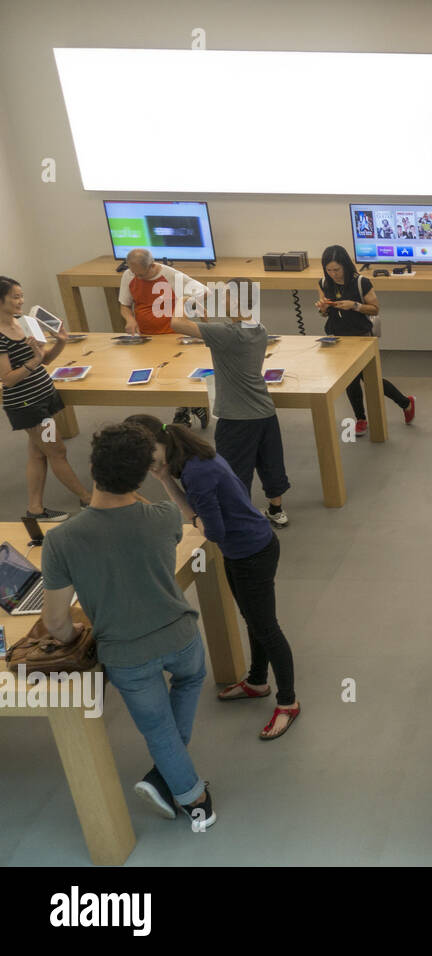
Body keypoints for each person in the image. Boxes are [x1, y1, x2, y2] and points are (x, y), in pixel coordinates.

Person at [39, 423, 215, 830]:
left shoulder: (62, 541)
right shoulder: (165, 515)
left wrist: (75, 639)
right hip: (181, 637)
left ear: (90, 467)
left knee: (157, 729)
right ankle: (168, 782)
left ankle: (194, 798)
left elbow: (55, 621)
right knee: (189, 683)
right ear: (140, 477)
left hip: (126, 654)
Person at [126, 414, 299, 741]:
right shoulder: (189, 457)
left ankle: (288, 702)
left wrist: (193, 519)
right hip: (243, 549)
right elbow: (200, 514)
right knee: (252, 619)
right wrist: (164, 479)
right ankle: (257, 681)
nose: (147, 464)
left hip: (251, 553)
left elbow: (214, 531)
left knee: (266, 628)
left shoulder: (197, 472)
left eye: (149, 457)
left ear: (161, 443)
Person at [168, 281, 291, 527]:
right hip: (264, 412)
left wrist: (184, 299)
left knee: (234, 472)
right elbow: (214, 330)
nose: (219, 301)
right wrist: (203, 320)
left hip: (237, 418)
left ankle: (241, 518)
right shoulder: (258, 328)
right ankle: (276, 510)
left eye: (224, 297)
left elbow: (176, 324)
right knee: (270, 463)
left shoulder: (227, 333)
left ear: (236, 302)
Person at [0, 276, 91, 521]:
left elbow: (46, 359)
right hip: (27, 405)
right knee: (57, 450)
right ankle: (88, 500)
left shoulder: (24, 322)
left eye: (21, 296)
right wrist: (34, 359)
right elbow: (7, 379)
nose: (21, 301)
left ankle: (35, 509)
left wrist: (60, 343)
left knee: (38, 453)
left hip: (44, 396)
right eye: (15, 297)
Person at [314, 245, 414, 437]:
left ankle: (406, 402)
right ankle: (360, 418)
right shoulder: (323, 283)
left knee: (369, 379)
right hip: (336, 336)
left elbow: (375, 309)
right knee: (350, 380)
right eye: (329, 270)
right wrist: (323, 308)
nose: (333, 274)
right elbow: (323, 312)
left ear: (345, 265)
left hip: (361, 336)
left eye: (337, 269)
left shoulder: (361, 282)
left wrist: (355, 305)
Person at [118, 248, 210, 429]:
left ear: (152, 266)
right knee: (159, 376)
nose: (136, 276)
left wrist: (186, 303)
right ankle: (194, 405)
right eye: (133, 272)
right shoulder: (129, 275)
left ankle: (182, 412)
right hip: (147, 336)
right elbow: (124, 305)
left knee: (177, 375)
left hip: (174, 335)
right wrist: (130, 319)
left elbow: (205, 291)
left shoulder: (171, 275)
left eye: (140, 274)